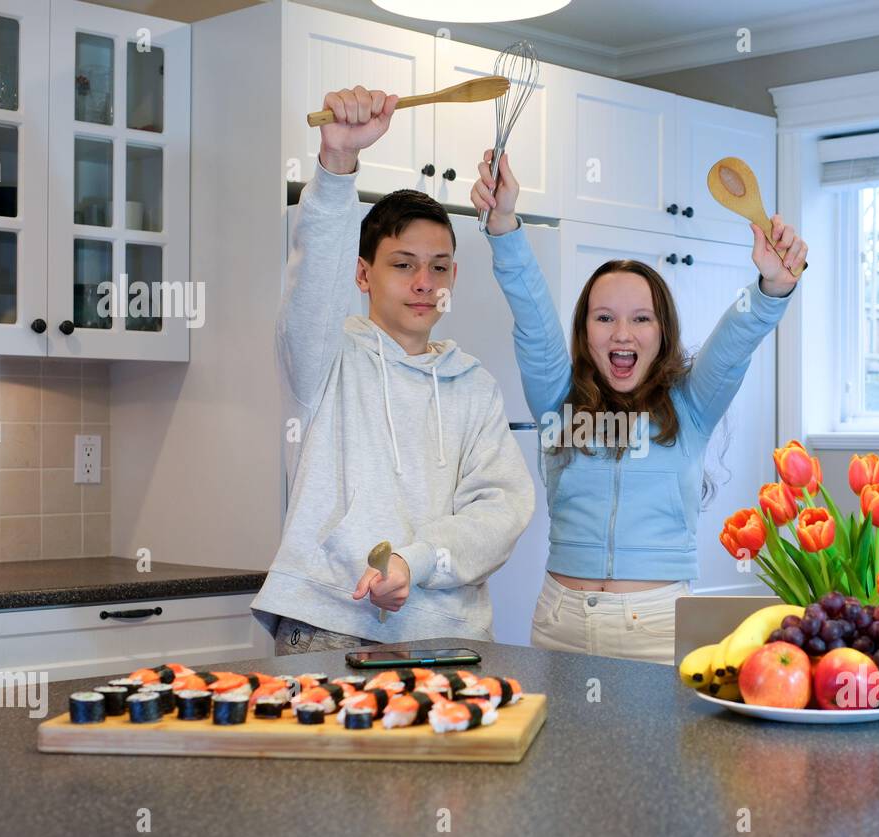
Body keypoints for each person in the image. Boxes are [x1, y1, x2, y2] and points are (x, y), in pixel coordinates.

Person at [471, 149, 806, 665]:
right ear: (585, 330)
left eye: (641, 319)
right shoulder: (558, 400)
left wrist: (772, 288)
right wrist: (505, 227)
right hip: (559, 620)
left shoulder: (692, 404)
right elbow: (532, 314)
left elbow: (736, 339)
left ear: (662, 330)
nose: (622, 333)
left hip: (656, 627)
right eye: (604, 317)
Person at [250, 88, 534, 654]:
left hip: (454, 636)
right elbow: (313, 289)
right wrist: (337, 165)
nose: (424, 283)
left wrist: (416, 559)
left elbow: (501, 509)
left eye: (439, 267)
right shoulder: (325, 362)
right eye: (403, 265)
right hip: (331, 624)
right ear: (362, 274)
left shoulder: (473, 385)